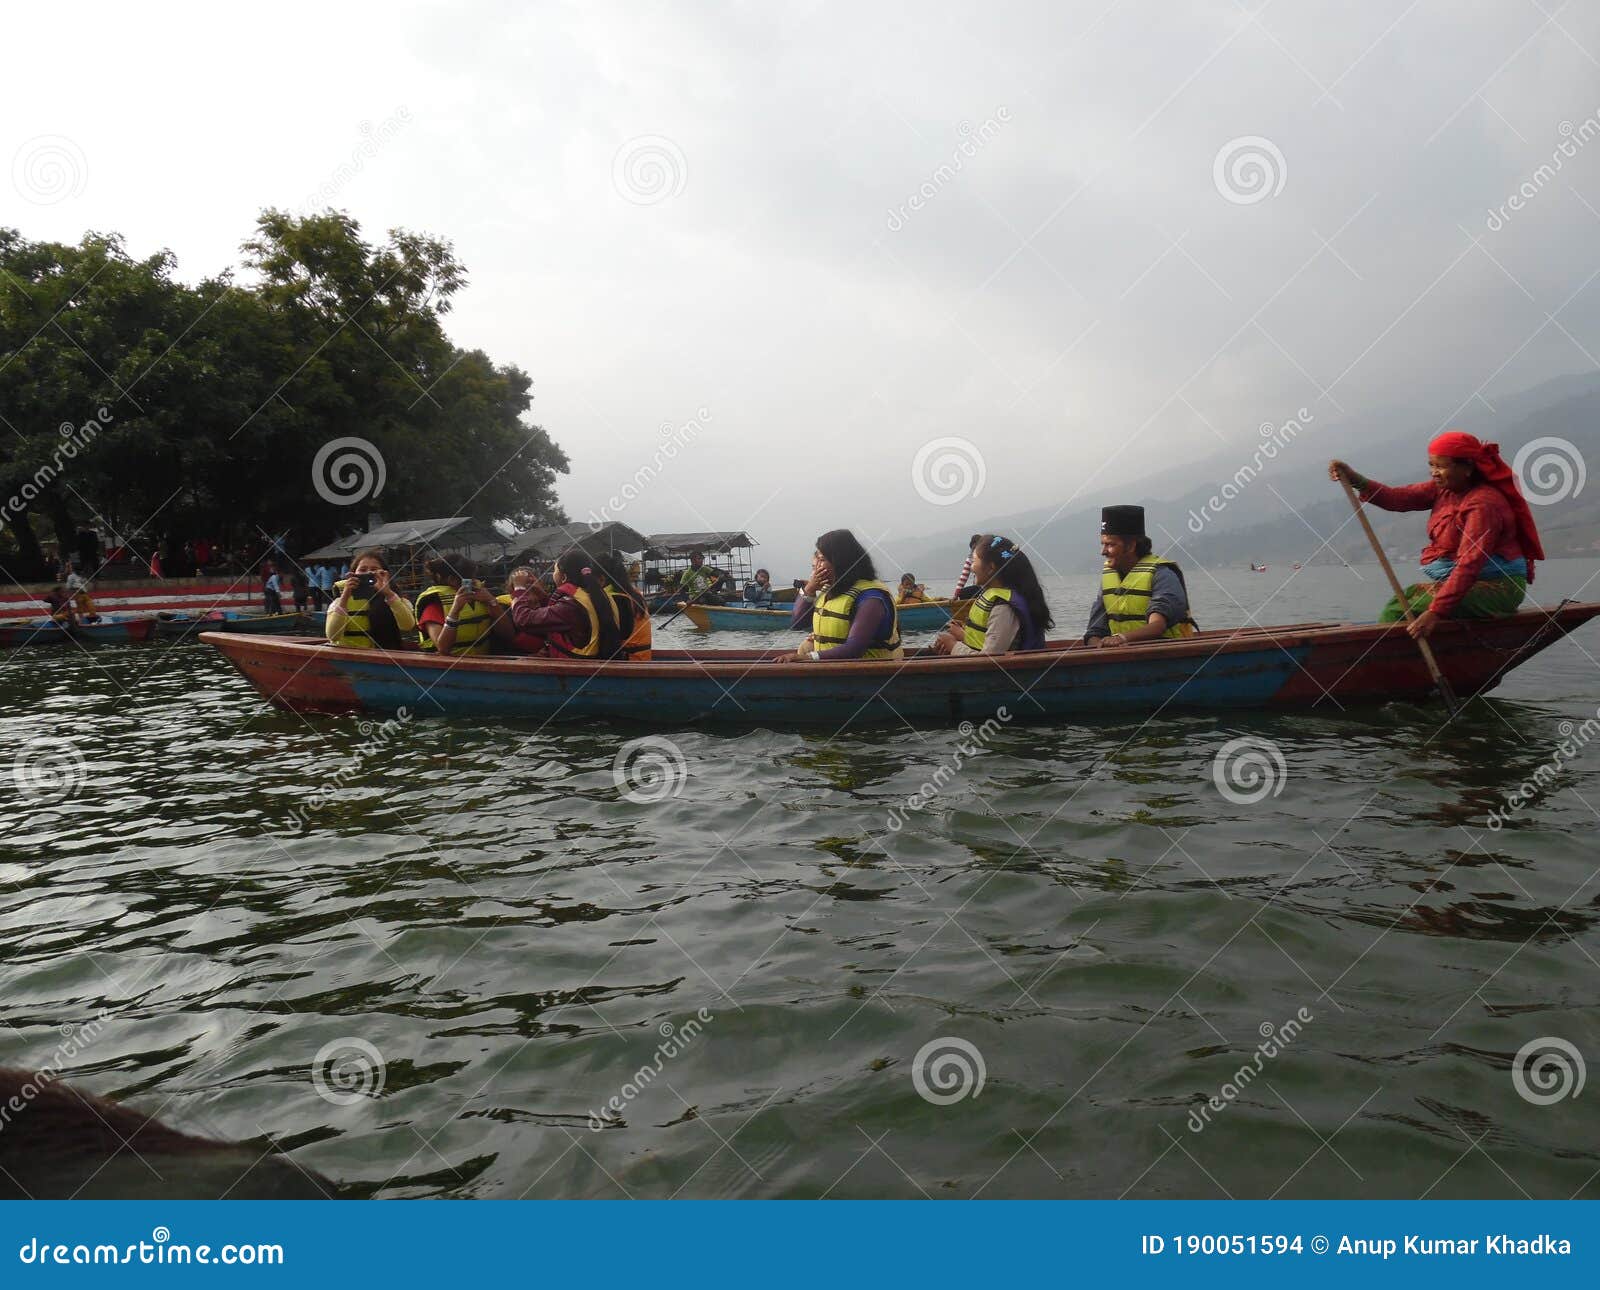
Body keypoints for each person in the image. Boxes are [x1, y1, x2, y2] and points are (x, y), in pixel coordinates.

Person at [1330, 432, 1544, 638]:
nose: (1434, 472)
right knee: (1406, 599)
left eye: (1441, 466)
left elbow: (1469, 564)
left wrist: (1435, 612)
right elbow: (1399, 498)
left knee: (1402, 607)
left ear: (1467, 467)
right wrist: (1354, 478)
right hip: (1470, 582)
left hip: (1500, 589)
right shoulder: (1444, 490)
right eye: (1431, 465)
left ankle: (1385, 661)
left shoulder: (1483, 505)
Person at [1084, 504, 1198, 647]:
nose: (1103, 551)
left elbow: (1157, 625)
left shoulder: (1162, 574)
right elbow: (1094, 631)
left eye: (1110, 545)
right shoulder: (1109, 577)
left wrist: (1121, 639)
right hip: (1120, 657)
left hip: (1164, 654)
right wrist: (1099, 647)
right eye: (1103, 544)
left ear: (1131, 546)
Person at [781, 529, 902, 662]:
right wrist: (809, 588)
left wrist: (809, 657)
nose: (817, 567)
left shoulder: (871, 598)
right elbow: (798, 623)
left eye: (822, 560)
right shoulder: (830, 591)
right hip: (829, 670)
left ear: (840, 562)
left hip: (867, 674)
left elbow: (854, 648)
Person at [933, 535, 1052, 655]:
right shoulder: (999, 598)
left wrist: (953, 646)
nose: (971, 567)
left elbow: (990, 660)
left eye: (974, 561)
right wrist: (964, 634)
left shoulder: (1003, 608)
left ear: (990, 568)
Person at [509, 547, 624, 658]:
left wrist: (519, 589)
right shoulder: (599, 596)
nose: (553, 574)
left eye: (554, 570)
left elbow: (524, 620)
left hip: (575, 672)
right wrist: (543, 596)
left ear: (563, 577)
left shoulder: (570, 605)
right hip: (597, 663)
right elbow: (561, 613)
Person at [415, 555, 514, 656]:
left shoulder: (482, 597)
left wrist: (493, 603)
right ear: (452, 580)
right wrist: (454, 611)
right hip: (451, 667)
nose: (475, 581)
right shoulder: (433, 604)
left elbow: (508, 634)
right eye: (471, 578)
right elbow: (443, 649)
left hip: (483, 663)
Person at [325, 549, 416, 649]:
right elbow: (333, 636)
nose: (368, 573)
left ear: (384, 573)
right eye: (362, 570)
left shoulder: (395, 597)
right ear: (353, 573)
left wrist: (389, 594)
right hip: (351, 658)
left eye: (374, 569)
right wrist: (345, 597)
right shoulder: (340, 600)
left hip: (384, 659)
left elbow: (408, 626)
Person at [595, 549, 654, 660]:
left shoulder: (613, 598)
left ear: (602, 578)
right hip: (643, 658)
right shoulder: (636, 593)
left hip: (629, 661)